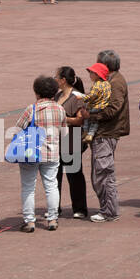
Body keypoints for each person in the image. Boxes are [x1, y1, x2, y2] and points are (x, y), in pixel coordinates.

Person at [14, 76, 67, 232]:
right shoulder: (60, 109)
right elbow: (64, 132)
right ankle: (52, 219)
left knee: (28, 187)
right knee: (51, 186)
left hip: (31, 153)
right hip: (52, 153)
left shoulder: (32, 109)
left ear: (36, 92)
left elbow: (18, 128)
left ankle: (29, 221)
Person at [88, 49, 128, 223]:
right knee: (99, 173)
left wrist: (91, 115)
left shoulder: (115, 83)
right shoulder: (108, 81)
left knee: (104, 172)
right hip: (104, 132)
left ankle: (109, 211)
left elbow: (113, 108)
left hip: (107, 132)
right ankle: (106, 207)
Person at [53, 67, 89, 221]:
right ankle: (55, 207)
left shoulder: (77, 97)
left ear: (63, 80)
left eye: (56, 77)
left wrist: (62, 119)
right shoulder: (58, 95)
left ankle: (79, 208)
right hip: (57, 140)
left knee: (74, 175)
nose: (54, 79)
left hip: (72, 139)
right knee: (55, 175)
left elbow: (80, 119)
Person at [81, 62, 113, 145]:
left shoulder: (97, 85)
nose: (90, 75)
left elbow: (92, 96)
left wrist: (82, 98)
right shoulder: (107, 84)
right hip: (103, 106)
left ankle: (85, 131)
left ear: (98, 75)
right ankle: (90, 134)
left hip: (95, 106)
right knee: (95, 121)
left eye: (92, 73)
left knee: (86, 117)